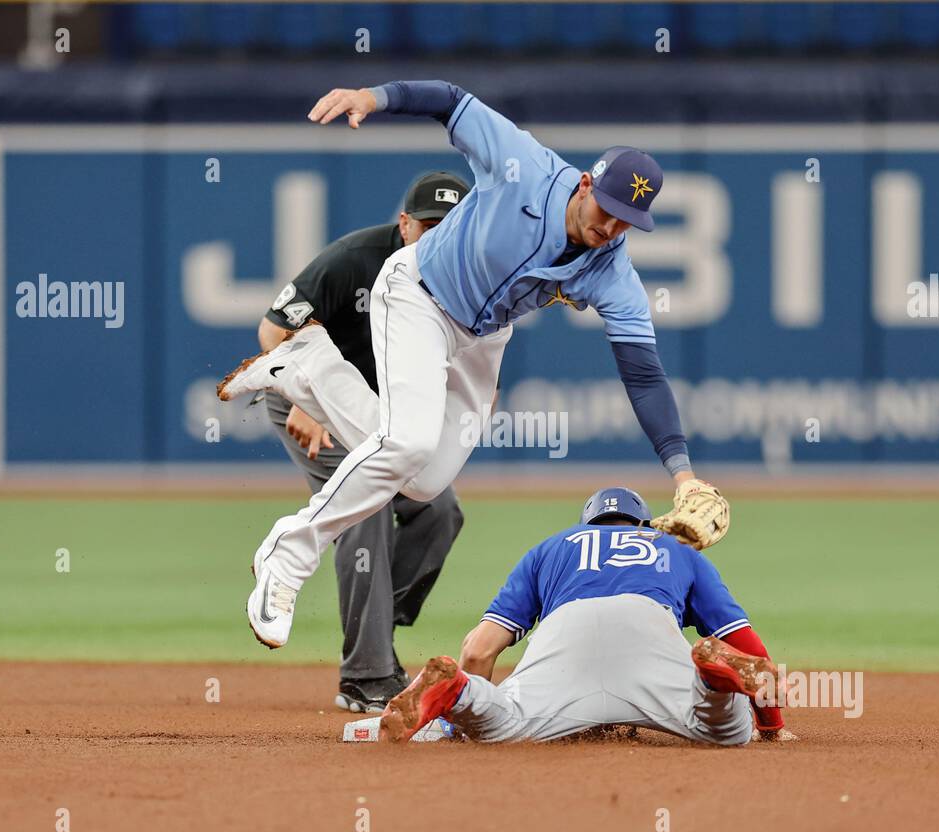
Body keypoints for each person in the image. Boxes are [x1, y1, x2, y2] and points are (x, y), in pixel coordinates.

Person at [218, 80, 730, 650]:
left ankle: (307, 363)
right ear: (586, 184)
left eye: (626, 221)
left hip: (483, 337)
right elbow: (450, 100)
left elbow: (643, 373)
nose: (609, 228)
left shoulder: (612, 273)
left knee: (424, 481)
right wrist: (374, 98)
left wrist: (683, 474)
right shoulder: (523, 165)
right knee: (407, 445)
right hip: (418, 294)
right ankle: (287, 556)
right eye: (606, 210)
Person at [257, 170, 472, 712]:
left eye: (451, 227)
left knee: (439, 510)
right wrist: (306, 403)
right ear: (404, 224)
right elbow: (272, 332)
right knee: (365, 511)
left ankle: (376, 620)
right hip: (314, 401)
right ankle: (366, 676)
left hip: (383, 416)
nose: (438, 236)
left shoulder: (465, 277)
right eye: (427, 226)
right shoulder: (353, 259)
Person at [379, 487, 789, 745]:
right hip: (648, 629)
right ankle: (712, 683)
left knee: (502, 722)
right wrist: (771, 725)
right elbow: (747, 645)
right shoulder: (675, 547)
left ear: (584, 525)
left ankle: (459, 694)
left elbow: (479, 649)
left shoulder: (551, 547)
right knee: (724, 729)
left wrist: (459, 726)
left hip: (565, 634)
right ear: (641, 522)